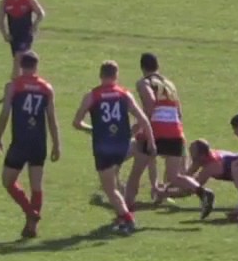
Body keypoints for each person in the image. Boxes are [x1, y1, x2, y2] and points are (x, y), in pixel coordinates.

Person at [72, 61, 155, 235]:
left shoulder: (92, 95)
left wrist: (92, 130)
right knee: (115, 179)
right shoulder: (124, 94)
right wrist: (151, 142)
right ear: (116, 76)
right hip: (122, 145)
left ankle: (128, 218)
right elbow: (143, 120)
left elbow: (77, 123)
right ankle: (122, 215)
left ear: (100, 75)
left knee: (109, 189)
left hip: (103, 147)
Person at [0, 51, 61, 239]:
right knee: (37, 186)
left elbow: (5, 113)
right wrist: (56, 144)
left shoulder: (13, 86)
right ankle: (31, 227)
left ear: (21, 65)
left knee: (8, 180)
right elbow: (52, 119)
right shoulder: (46, 88)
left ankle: (30, 212)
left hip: (20, 142)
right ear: (36, 66)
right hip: (39, 142)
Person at [125, 53, 187, 208]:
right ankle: (198, 190)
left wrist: (141, 124)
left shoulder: (144, 82)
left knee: (137, 169)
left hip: (156, 129)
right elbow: (179, 111)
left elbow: (151, 103)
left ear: (142, 67)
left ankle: (127, 208)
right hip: (175, 130)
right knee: (173, 174)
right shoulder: (170, 84)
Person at [156, 139, 222, 219]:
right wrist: (167, 188)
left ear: (201, 154)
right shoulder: (202, 157)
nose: (190, 155)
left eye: (192, 152)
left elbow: (189, 190)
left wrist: (166, 193)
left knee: (201, 191)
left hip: (236, 171)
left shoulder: (211, 166)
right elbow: (184, 179)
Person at [0, 0, 45, 80]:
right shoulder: (5, 1)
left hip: (26, 33)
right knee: (18, 59)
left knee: (19, 58)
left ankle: (15, 84)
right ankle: (21, 83)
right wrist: (5, 34)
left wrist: (35, 25)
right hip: (14, 35)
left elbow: (40, 13)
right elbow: (0, 21)